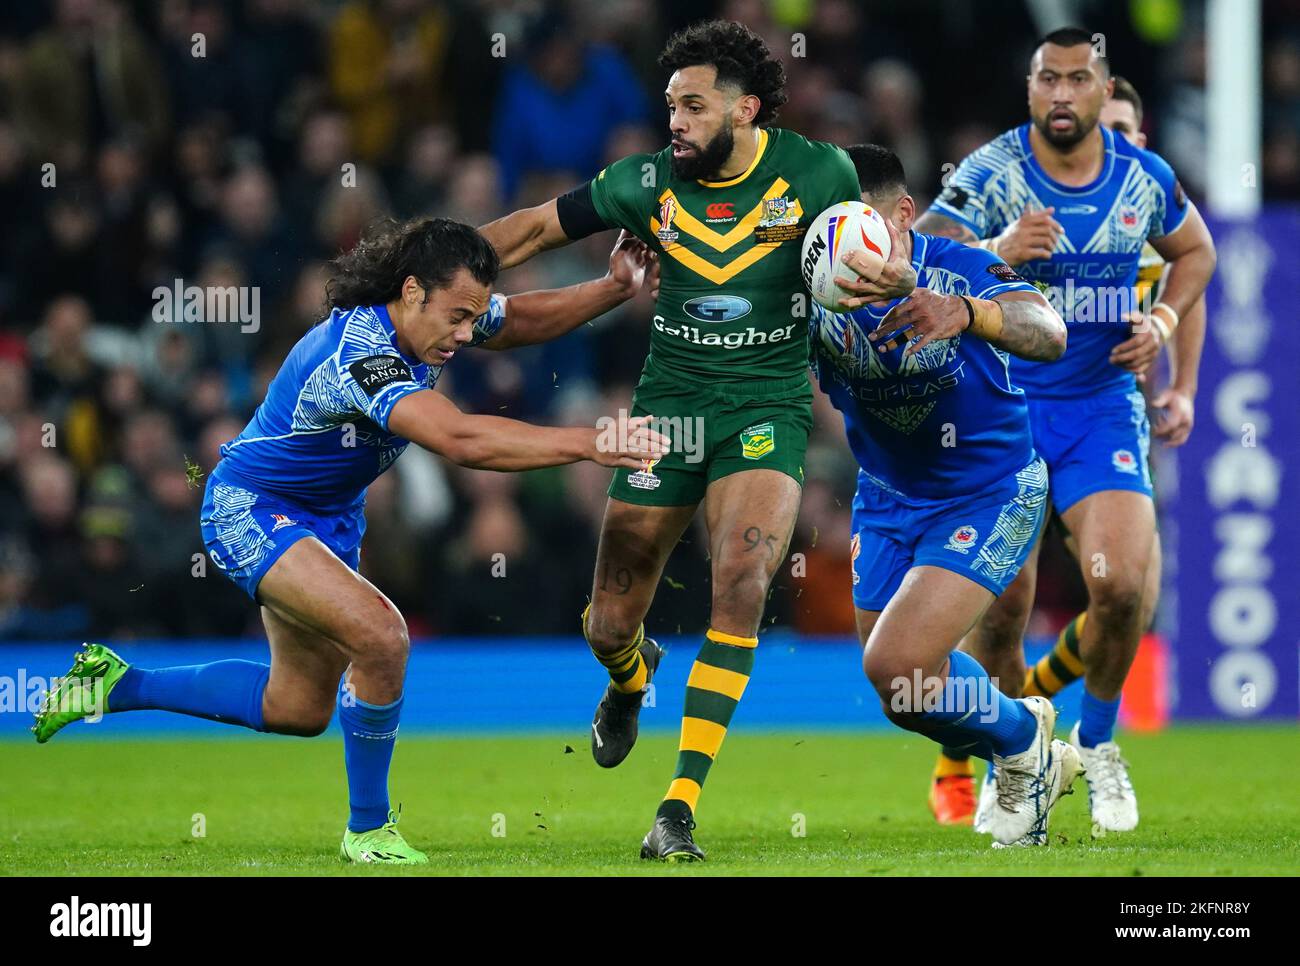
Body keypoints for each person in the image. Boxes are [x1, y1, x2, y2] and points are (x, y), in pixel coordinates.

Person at [32, 218, 668, 865]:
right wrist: (592, 442)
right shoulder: (361, 357)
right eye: (457, 317)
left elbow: (521, 322)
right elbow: (460, 441)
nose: (466, 334)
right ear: (413, 291)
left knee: (297, 707)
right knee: (382, 636)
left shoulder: (436, 321)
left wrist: (612, 290)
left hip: (328, 520)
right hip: (251, 508)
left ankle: (119, 683)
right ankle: (368, 830)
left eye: (474, 319)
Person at [478, 19, 912, 861]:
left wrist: (890, 276)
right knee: (608, 621)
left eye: (692, 105)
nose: (673, 121)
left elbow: (879, 251)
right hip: (669, 407)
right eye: (669, 105)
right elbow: (532, 231)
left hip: (766, 407)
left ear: (745, 108)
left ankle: (678, 806)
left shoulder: (819, 173)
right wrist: (427, 272)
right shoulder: (642, 183)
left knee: (743, 579)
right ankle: (630, 678)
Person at [915, 29, 1216, 834]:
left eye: (1077, 80)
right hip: (1002, 410)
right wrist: (997, 248)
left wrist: (1160, 317)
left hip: (1098, 405)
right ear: (1030, 89)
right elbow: (922, 253)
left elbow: (1197, 254)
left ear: (1100, 88)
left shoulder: (1141, 178)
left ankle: (1099, 744)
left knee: (1122, 586)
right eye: (1047, 78)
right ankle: (1015, 764)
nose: (1061, 94)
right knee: (1004, 611)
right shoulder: (992, 171)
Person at [811, 144, 1077, 846]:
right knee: (900, 693)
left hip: (989, 491)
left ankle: (1021, 750)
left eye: (862, 229)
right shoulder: (812, 288)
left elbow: (1049, 332)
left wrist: (969, 314)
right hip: (888, 497)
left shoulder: (955, 266)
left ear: (903, 217)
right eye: (829, 228)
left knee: (897, 664)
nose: (847, 253)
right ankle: (1026, 732)